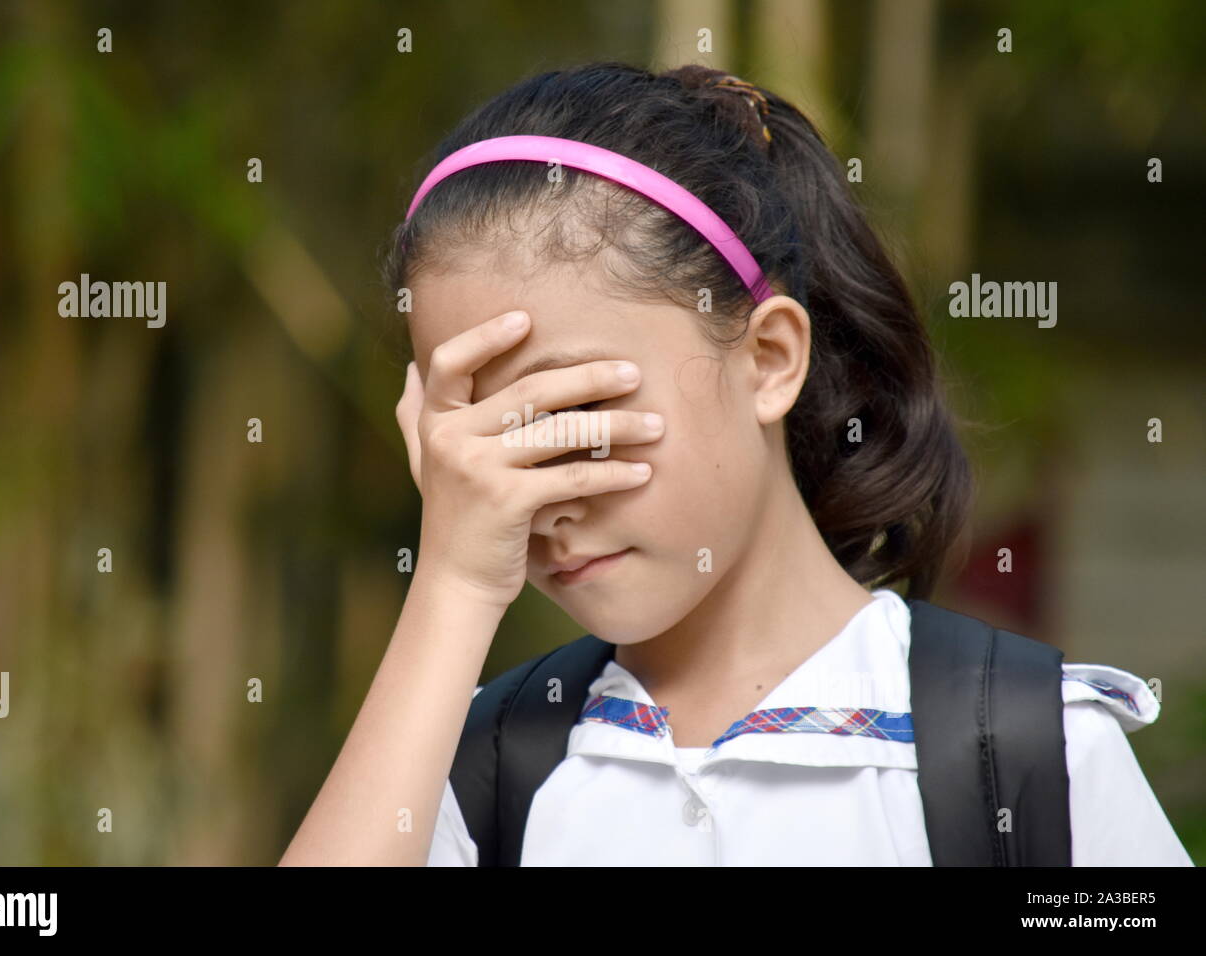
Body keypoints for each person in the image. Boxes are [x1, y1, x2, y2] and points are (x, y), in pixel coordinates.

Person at [279, 61, 1193, 866]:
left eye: (570, 417)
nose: (538, 501)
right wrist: (453, 582)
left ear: (768, 360)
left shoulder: (1032, 753)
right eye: (484, 445)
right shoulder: (476, 766)